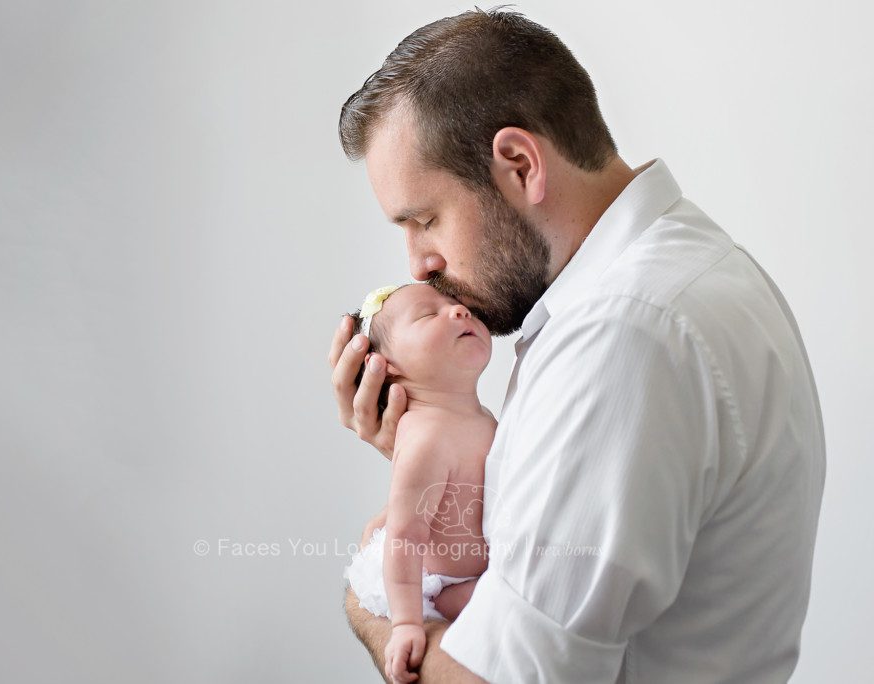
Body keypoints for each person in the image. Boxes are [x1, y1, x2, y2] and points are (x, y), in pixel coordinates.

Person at [328, 8, 825, 684]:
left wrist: (369, 592)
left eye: (425, 219)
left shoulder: (621, 336)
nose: (417, 263)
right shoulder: (683, 269)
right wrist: (438, 461)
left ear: (519, 164)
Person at [338, 282, 498, 682]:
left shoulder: (478, 415)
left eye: (459, 305)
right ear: (385, 364)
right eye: (429, 315)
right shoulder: (426, 435)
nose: (459, 312)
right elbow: (406, 538)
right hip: (437, 583)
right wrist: (408, 623)